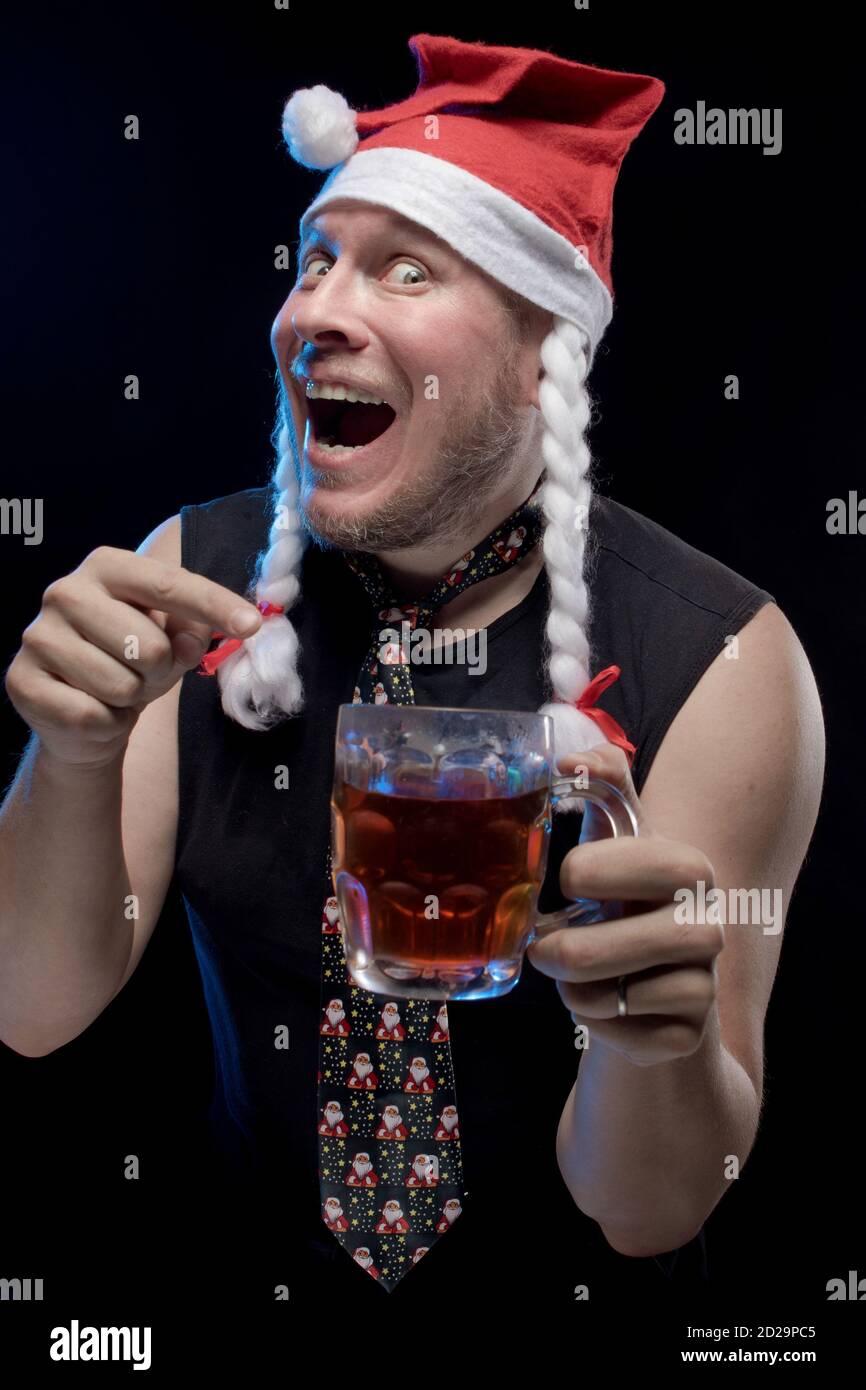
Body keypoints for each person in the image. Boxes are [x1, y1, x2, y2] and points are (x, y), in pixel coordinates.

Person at [0, 35, 824, 1308]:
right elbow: (30, 1006)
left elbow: (649, 1211)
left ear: (541, 346)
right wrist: (73, 748)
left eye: (403, 268)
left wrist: (650, 1047)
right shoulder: (186, 578)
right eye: (316, 260)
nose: (317, 310)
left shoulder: (721, 657)